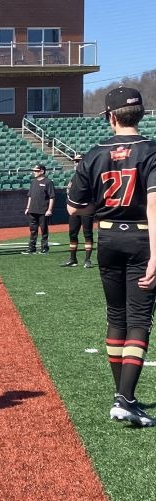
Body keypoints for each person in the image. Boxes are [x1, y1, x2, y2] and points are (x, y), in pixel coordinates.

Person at [67, 87, 156, 427]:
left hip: (107, 236)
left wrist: (101, 207)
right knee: (139, 319)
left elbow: (75, 207)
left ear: (111, 116)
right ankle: (126, 399)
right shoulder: (151, 150)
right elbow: (153, 204)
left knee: (116, 316)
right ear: (141, 114)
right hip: (142, 237)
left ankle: (122, 396)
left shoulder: (93, 153)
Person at [63, 154, 95, 268]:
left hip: (86, 209)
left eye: (79, 161)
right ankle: (73, 258)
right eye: (75, 161)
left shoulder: (90, 176)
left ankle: (87, 259)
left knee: (87, 234)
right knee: (72, 233)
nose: (76, 163)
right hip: (75, 211)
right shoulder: (74, 176)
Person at [23, 163, 55, 254]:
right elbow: (30, 196)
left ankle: (44, 248)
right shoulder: (33, 182)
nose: (34, 172)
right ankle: (31, 248)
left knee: (44, 230)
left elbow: (52, 197)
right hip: (32, 210)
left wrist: (49, 209)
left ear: (42, 171)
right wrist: (28, 207)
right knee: (33, 230)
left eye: (36, 171)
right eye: (34, 171)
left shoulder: (48, 182)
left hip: (43, 211)